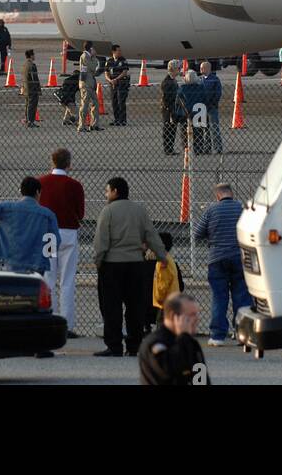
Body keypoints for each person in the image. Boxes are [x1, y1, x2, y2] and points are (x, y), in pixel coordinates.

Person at [93, 177, 167, 357]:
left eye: (107, 190)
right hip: (135, 264)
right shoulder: (139, 211)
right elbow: (151, 235)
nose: (106, 194)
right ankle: (134, 344)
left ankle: (114, 345)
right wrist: (161, 256)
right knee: (135, 306)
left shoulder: (107, 212)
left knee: (112, 307)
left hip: (112, 265)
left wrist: (98, 261)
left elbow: (101, 241)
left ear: (115, 191)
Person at [0, 177, 59, 276]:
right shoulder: (48, 215)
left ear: (21, 191)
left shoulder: (7, 208)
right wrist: (46, 256)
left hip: (11, 261)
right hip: (36, 264)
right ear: (38, 192)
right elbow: (55, 240)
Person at [194, 182, 252, 345]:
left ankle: (217, 336)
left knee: (219, 297)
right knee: (241, 296)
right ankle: (242, 334)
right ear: (231, 193)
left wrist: (213, 237)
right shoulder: (242, 209)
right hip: (239, 258)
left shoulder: (211, 210)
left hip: (217, 258)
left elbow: (198, 233)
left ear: (218, 195)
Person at [38, 149, 85, 337]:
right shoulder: (74, 185)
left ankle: (49, 320)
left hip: (48, 234)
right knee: (67, 279)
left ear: (52, 162)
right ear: (69, 164)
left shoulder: (41, 183)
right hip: (68, 233)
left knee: (48, 277)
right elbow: (80, 214)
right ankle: (67, 324)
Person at [138, 292, 207, 386]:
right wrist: (183, 337)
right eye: (191, 315)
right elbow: (167, 371)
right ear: (173, 316)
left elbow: (202, 381)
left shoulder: (191, 343)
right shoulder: (154, 343)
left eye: (196, 314)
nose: (196, 319)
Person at [144, 231, 183, 334]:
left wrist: (159, 298)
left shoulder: (159, 263)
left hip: (157, 302)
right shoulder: (171, 262)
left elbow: (162, 285)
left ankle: (149, 329)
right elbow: (181, 286)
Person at [178, 69, 206, 154]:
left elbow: (178, 101)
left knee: (184, 132)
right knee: (198, 132)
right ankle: (199, 149)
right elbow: (205, 99)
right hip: (198, 112)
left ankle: (186, 148)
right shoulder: (200, 88)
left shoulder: (182, 88)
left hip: (185, 113)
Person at [199, 61, 224, 155]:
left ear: (208, 69)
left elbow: (218, 93)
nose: (200, 69)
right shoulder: (200, 80)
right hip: (203, 107)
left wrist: (212, 103)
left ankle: (218, 148)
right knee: (205, 129)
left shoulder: (215, 79)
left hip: (212, 107)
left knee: (214, 128)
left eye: (202, 68)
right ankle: (207, 148)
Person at [104, 44, 130, 126]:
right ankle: (116, 119)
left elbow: (124, 72)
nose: (120, 52)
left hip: (121, 84)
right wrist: (110, 80)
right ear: (113, 52)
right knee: (114, 102)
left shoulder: (123, 60)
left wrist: (116, 79)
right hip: (113, 85)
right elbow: (106, 73)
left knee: (121, 102)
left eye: (120, 50)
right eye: (118, 50)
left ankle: (123, 120)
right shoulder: (109, 61)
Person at [76, 43, 100, 132]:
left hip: (91, 83)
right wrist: (94, 58)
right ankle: (81, 126)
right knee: (84, 105)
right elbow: (93, 67)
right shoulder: (85, 56)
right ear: (91, 48)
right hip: (86, 84)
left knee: (95, 103)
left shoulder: (88, 57)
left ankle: (94, 124)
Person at [160, 60, 181, 155]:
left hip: (173, 108)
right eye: (178, 68)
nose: (179, 70)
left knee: (173, 129)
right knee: (168, 129)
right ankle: (168, 148)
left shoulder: (173, 80)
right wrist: (170, 110)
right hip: (168, 109)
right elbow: (166, 98)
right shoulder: (167, 82)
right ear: (173, 69)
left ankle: (170, 148)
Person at [21, 48, 41, 127]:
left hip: (26, 88)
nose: (34, 56)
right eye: (33, 54)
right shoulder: (32, 65)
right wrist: (38, 89)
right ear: (31, 55)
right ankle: (30, 121)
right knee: (32, 106)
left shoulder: (24, 65)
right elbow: (34, 78)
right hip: (32, 89)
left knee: (27, 105)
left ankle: (27, 119)